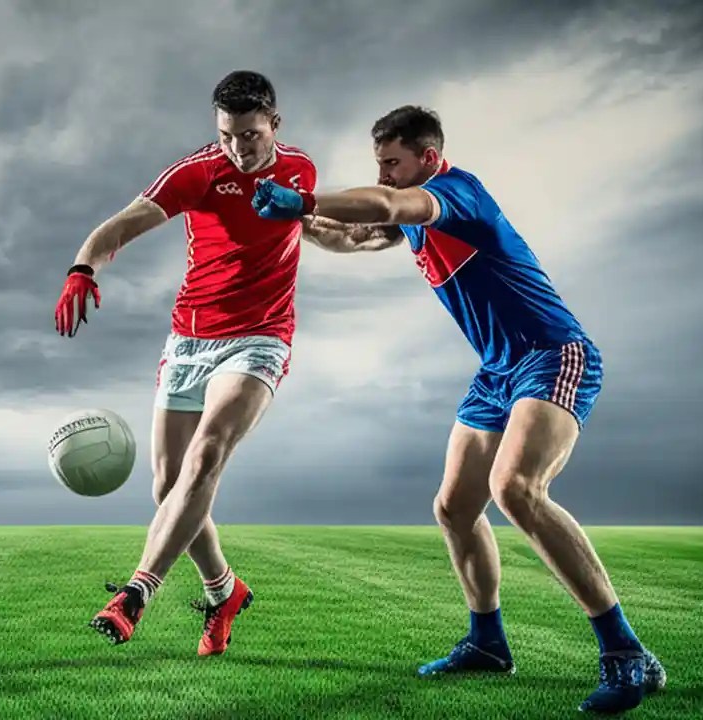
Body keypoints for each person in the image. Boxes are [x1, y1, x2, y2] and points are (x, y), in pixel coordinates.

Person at [250, 105, 665, 714]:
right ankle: (488, 643)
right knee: (453, 505)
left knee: (515, 489)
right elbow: (358, 234)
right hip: (497, 372)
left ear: (428, 156)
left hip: (552, 354)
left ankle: (627, 653)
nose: (386, 174)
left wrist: (303, 198)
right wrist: (293, 221)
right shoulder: (415, 211)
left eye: (393, 162)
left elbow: (389, 208)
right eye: (379, 164)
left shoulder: (455, 192)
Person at [53, 70, 317, 656]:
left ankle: (136, 593)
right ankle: (224, 591)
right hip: (191, 340)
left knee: (208, 453)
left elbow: (315, 225)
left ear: (274, 125)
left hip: (261, 338)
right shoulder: (198, 172)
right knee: (168, 486)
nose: (237, 148)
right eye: (226, 135)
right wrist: (83, 268)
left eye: (249, 135)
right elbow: (123, 223)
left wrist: (371, 232)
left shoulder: (301, 171)